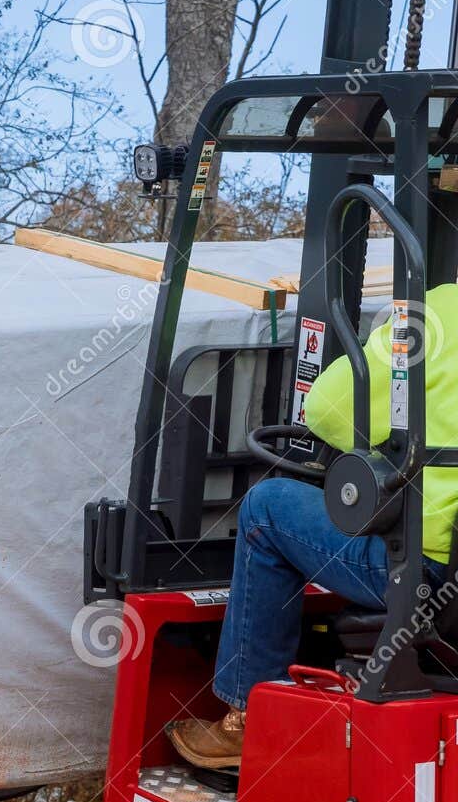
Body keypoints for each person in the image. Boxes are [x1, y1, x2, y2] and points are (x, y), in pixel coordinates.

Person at [169, 283, 458, 768]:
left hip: (424, 568)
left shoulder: (440, 311)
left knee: (267, 506)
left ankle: (247, 714)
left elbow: (326, 410)